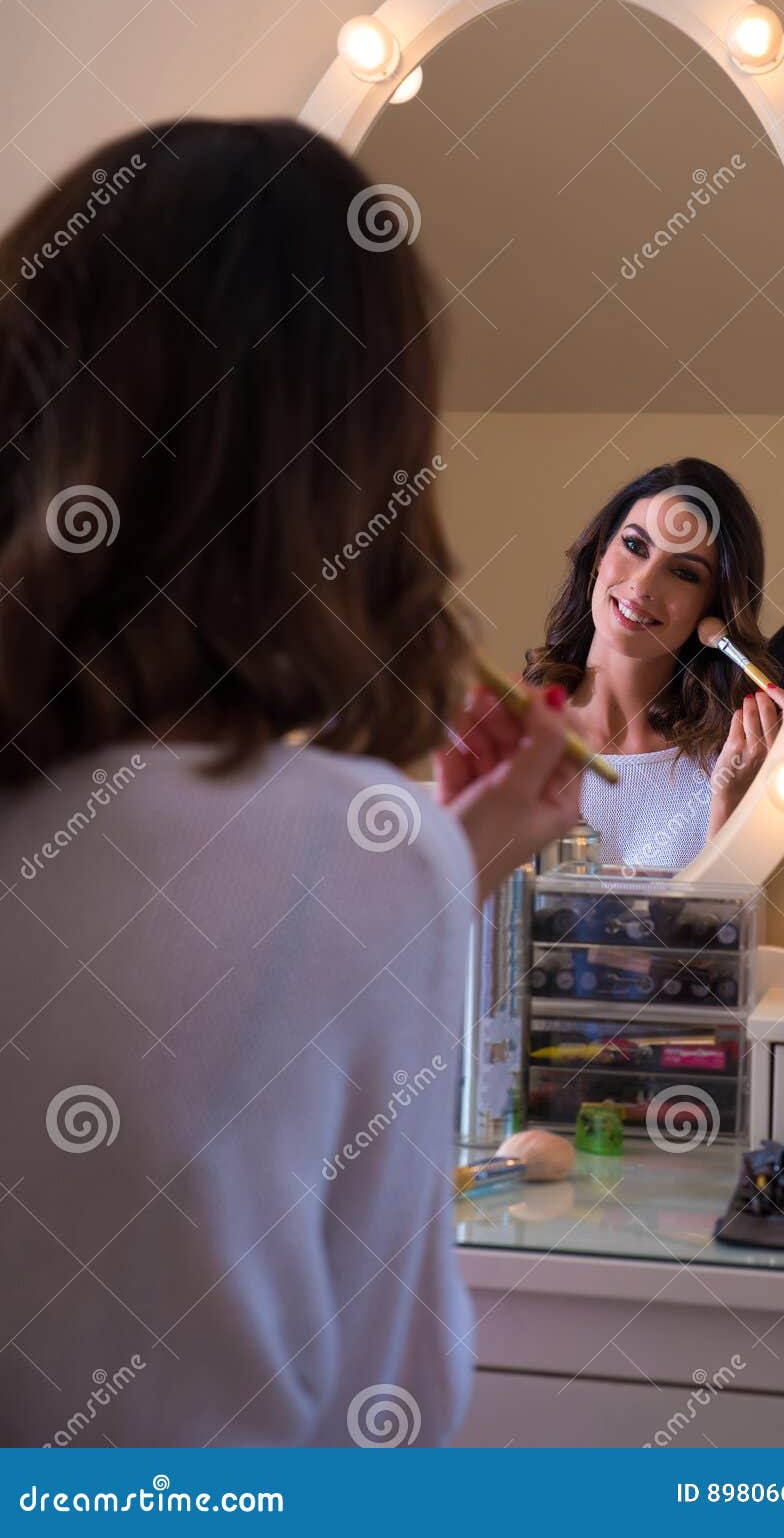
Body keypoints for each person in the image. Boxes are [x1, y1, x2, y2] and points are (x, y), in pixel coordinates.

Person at [0, 118, 580, 1447]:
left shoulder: (367, 860)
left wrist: (437, 860)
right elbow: (386, 1413)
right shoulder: (362, 861)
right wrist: (412, 871)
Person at [524, 461, 784, 871]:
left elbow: (722, 932)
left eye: (684, 573)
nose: (644, 585)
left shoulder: (733, 767)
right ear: (599, 554)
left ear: (713, 609)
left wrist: (731, 806)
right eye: (634, 546)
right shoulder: (513, 738)